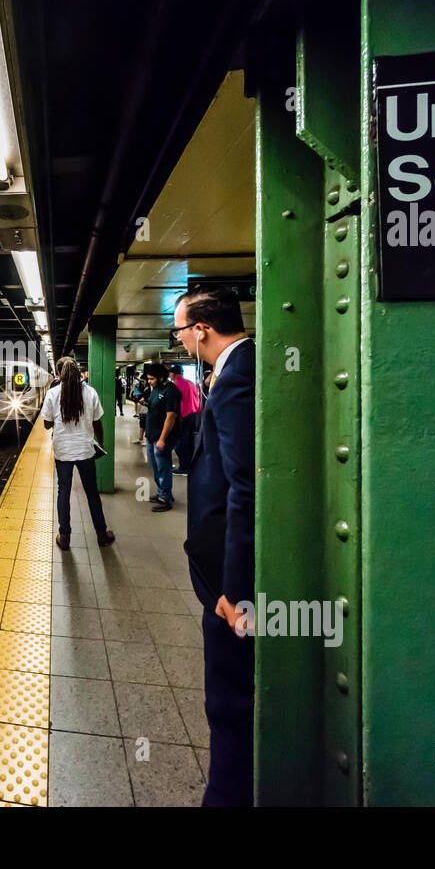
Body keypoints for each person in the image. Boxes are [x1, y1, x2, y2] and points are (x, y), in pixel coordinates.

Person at [172, 286, 255, 807]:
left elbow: (246, 485)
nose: (179, 341)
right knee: (229, 700)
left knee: (228, 702)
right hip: (223, 571)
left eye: (180, 330)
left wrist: (236, 590)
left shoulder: (238, 375)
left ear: (202, 328)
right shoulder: (238, 369)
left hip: (232, 589)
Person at [40, 357, 115, 550]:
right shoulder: (90, 392)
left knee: (63, 491)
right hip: (85, 450)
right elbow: (97, 422)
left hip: (63, 451)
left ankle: (64, 537)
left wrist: (58, 419)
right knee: (92, 493)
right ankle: (101, 535)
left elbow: (47, 424)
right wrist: (101, 441)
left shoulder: (53, 393)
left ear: (59, 374)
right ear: (78, 372)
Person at [140, 362, 181, 512]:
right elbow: (155, 406)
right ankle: (163, 492)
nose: (149, 381)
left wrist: (163, 439)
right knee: (155, 466)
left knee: (163, 466)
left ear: (161, 377)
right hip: (152, 434)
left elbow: (171, 417)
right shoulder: (156, 389)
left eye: (151, 379)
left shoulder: (172, 392)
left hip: (162, 436)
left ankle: (165, 498)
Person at [167, 364, 202, 475]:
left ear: (173, 374)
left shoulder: (175, 385)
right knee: (190, 442)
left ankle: (184, 467)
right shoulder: (190, 383)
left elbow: (178, 404)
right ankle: (191, 465)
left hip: (183, 417)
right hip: (194, 416)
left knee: (180, 444)